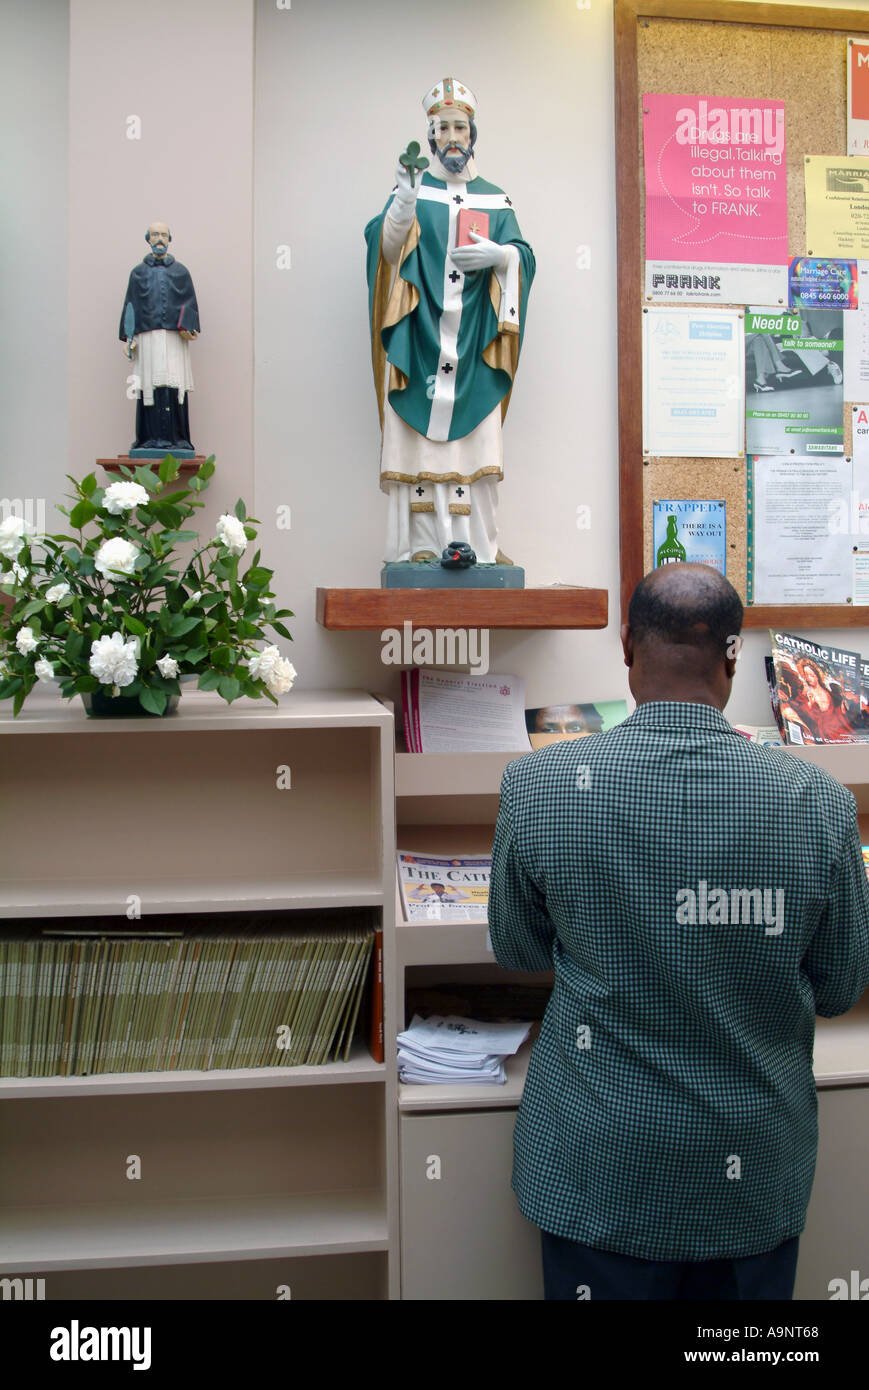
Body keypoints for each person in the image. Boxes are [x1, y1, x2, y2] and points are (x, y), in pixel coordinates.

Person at [489, 563, 869, 1299]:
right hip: (750, 1179)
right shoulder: (818, 801)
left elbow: (519, 949)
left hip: (597, 1174)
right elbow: (839, 988)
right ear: (733, 656)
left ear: (626, 647)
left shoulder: (537, 786)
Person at [365, 79, 535, 565]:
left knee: (476, 442)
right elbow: (387, 250)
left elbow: (523, 255)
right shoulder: (415, 192)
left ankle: (481, 548)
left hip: (476, 343)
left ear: (473, 133)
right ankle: (418, 548)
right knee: (415, 444)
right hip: (418, 341)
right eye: (443, 128)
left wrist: (501, 256)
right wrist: (402, 199)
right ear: (431, 135)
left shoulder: (496, 198)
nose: (453, 136)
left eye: (460, 126)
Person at [119, 222, 199, 455]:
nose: (159, 238)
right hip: (148, 338)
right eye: (155, 234)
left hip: (175, 339)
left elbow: (190, 304)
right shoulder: (138, 273)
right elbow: (130, 306)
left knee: (175, 384)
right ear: (148, 238)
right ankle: (148, 438)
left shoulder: (181, 272)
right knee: (149, 385)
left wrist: (190, 329)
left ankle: (177, 438)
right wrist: (129, 337)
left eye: (163, 234)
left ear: (170, 238)